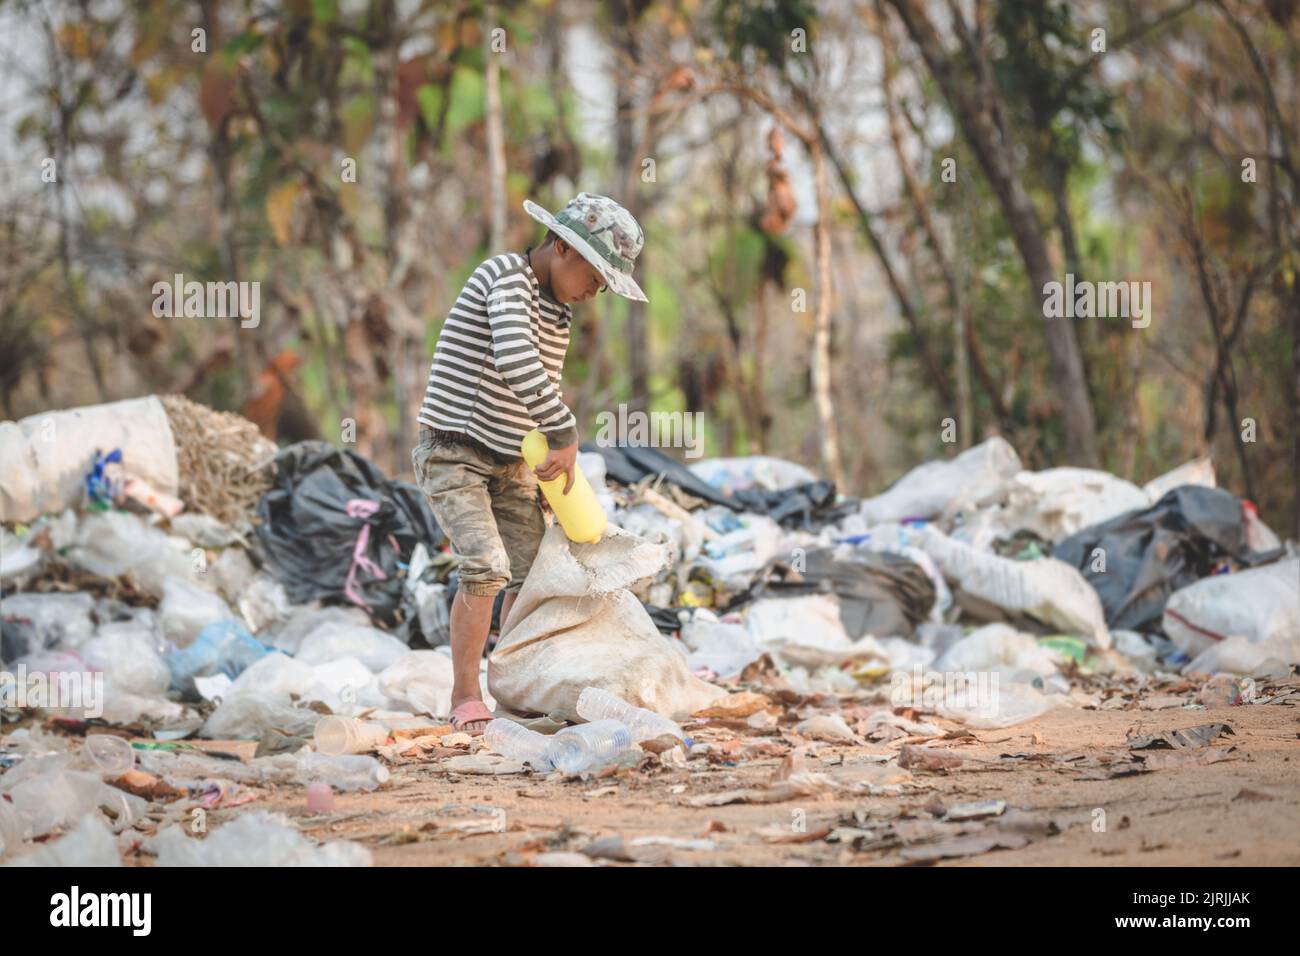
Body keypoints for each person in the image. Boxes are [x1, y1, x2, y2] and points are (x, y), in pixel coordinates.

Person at [412, 193, 647, 734]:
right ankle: (465, 693)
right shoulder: (505, 277)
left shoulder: (558, 313)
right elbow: (517, 357)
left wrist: (548, 476)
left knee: (532, 572)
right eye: (594, 277)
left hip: (511, 459)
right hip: (455, 452)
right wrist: (565, 430)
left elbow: (539, 394)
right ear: (562, 247)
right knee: (487, 567)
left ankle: (515, 685)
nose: (595, 292)